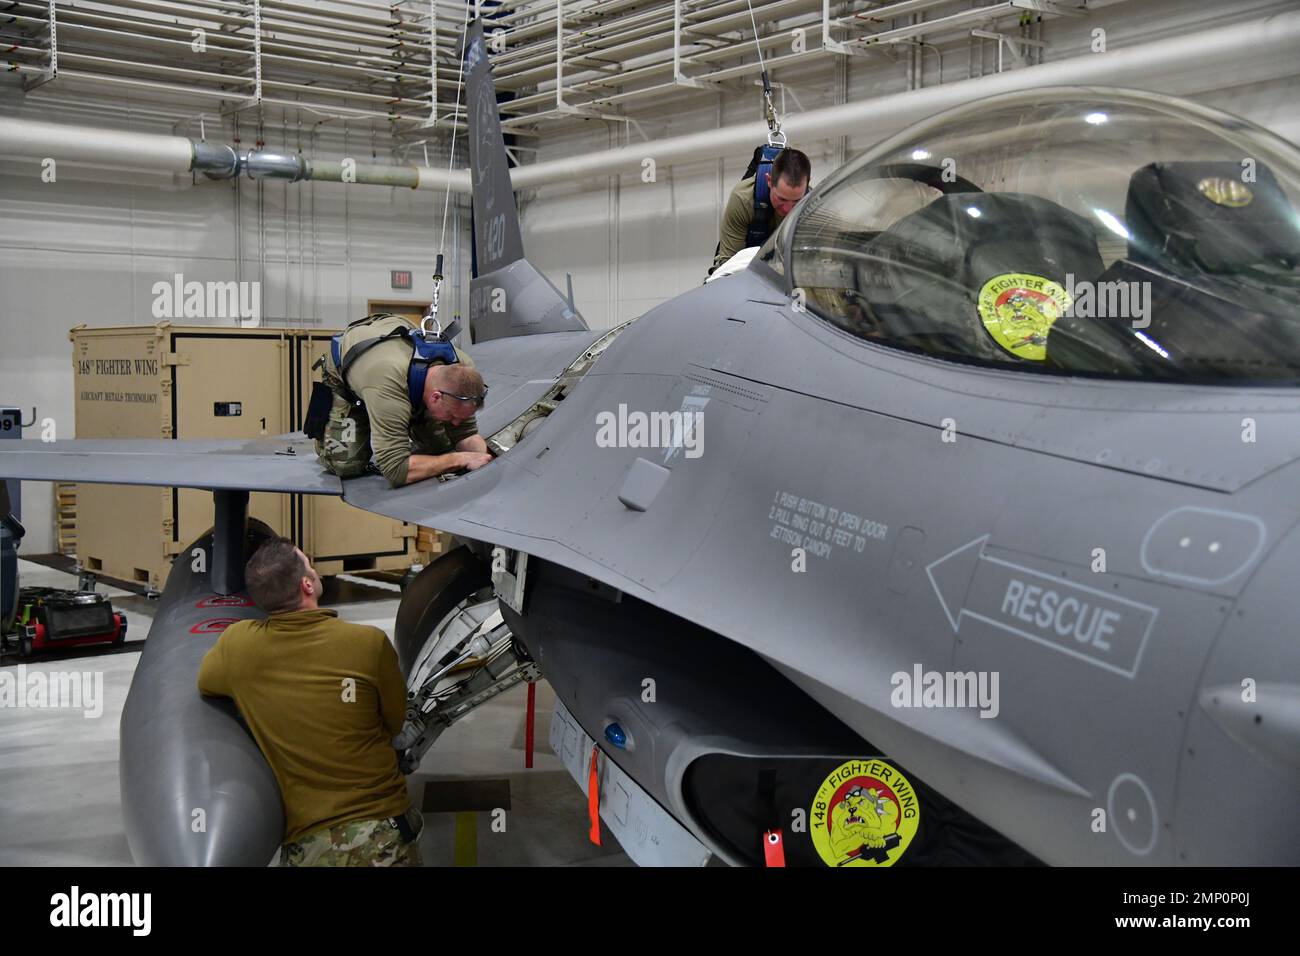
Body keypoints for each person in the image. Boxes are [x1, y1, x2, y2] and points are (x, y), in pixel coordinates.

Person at [197, 536, 422, 867]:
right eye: (310, 566)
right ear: (306, 584)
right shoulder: (368, 644)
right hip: (383, 832)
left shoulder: (238, 648)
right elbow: (394, 721)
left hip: (310, 846)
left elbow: (206, 681)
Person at [314, 312, 492, 487]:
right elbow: (396, 471)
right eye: (452, 416)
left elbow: (466, 433)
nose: (456, 423)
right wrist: (458, 459)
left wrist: (483, 459)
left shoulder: (463, 372)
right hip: (353, 377)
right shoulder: (387, 379)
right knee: (346, 465)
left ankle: (389, 415)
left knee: (440, 447)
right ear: (436, 397)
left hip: (397, 365)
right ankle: (335, 435)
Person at [709, 147, 812, 275]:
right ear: (769, 181)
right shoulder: (743, 199)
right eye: (781, 199)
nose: (787, 209)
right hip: (744, 276)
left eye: (796, 201)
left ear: (807, 186)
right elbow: (728, 265)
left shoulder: (813, 208)